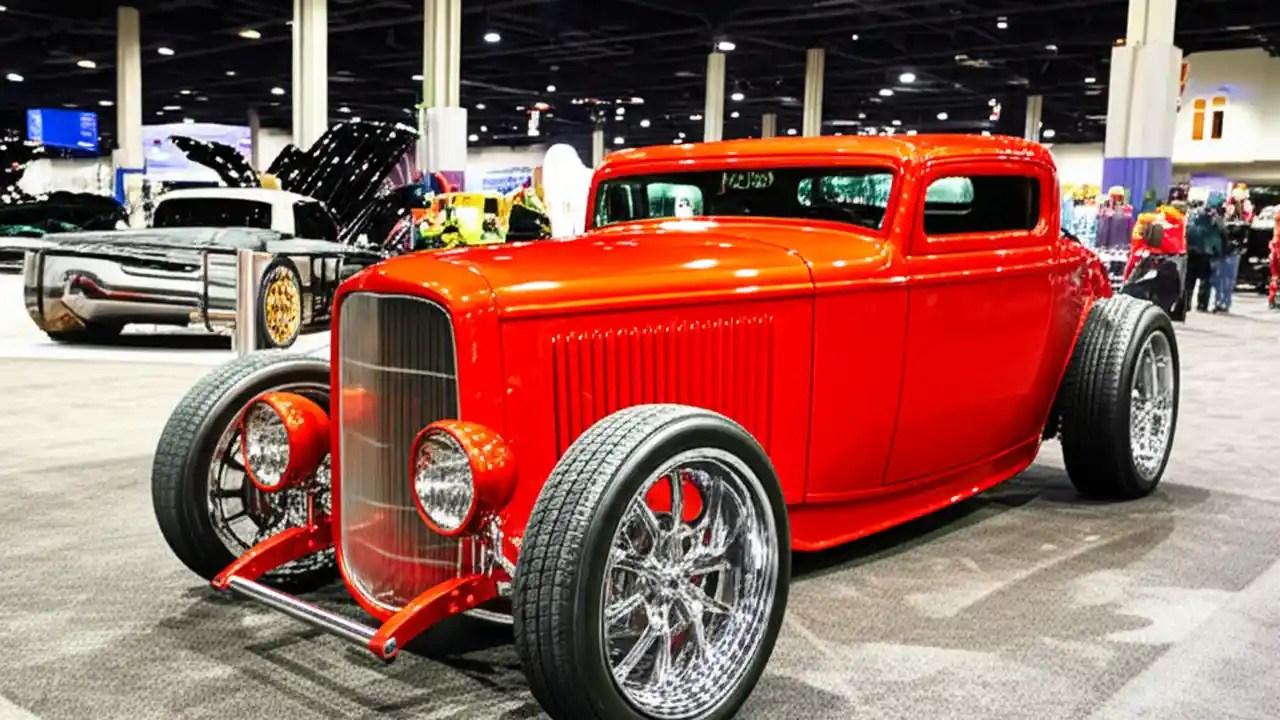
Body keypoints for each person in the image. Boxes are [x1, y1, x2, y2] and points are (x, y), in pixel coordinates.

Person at [1184, 193, 1226, 312]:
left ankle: (1186, 304)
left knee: (1189, 280)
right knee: (1205, 281)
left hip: (1191, 251)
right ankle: (1202, 305)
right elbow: (1223, 235)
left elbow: (1186, 230)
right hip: (1207, 253)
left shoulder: (1192, 214)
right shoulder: (1216, 218)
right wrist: (1221, 252)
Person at [1214, 197, 1249, 312]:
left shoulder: (1241, 223)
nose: (1229, 208)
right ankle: (1218, 301)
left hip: (1232, 253)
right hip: (1221, 252)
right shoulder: (1220, 219)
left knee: (1228, 279)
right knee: (1219, 279)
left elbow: (1242, 238)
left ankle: (1225, 302)